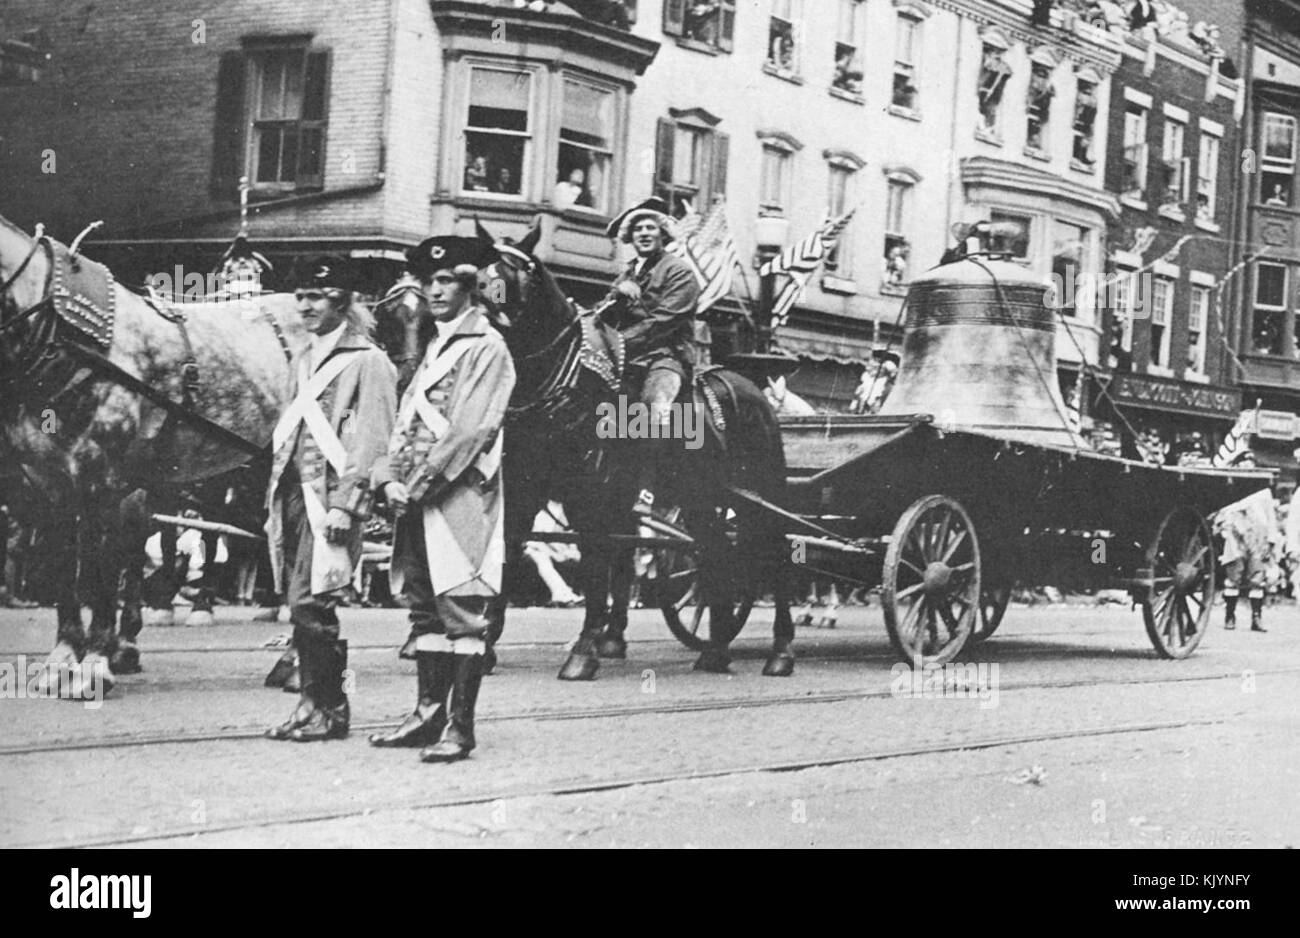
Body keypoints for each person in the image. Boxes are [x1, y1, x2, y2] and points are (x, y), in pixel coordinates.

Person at [369, 236, 515, 762]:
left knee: (464, 612)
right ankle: (427, 715)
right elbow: (403, 425)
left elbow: (470, 431)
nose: (434, 290)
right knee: (425, 611)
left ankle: (460, 726)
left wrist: (416, 485)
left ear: (470, 287)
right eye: (428, 281)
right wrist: (385, 476)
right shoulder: (436, 346)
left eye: (446, 280)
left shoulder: (488, 347)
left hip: (459, 500)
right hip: (415, 497)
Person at [264, 256, 397, 742]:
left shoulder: (369, 360)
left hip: (333, 500)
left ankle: (332, 709)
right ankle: (309, 705)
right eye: (300, 296)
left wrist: (347, 503)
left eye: (316, 296)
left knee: (312, 602)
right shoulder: (303, 358)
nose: (305, 306)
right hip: (292, 493)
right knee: (298, 604)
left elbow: (374, 440)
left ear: (343, 301)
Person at [600, 197, 701, 517]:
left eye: (650, 228)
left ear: (662, 235)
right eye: (638, 229)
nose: (644, 233)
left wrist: (621, 340)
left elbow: (664, 321)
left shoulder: (680, 272)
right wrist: (615, 300)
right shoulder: (626, 275)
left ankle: (648, 489)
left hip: (666, 356)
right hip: (627, 359)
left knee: (653, 407)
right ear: (631, 238)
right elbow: (604, 316)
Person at [1214, 489, 1277, 633]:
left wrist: (1271, 538)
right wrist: (1223, 526)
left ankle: (1256, 617)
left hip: (1258, 534)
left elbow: (1270, 514)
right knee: (1233, 575)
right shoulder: (1236, 486)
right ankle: (1230, 615)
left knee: (1257, 577)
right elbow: (1223, 509)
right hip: (1235, 534)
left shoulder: (1264, 491)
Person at [523, 501, 582, 606]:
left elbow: (570, 536)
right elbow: (537, 542)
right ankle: (561, 594)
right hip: (537, 550)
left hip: (559, 549)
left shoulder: (566, 513)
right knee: (542, 560)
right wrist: (554, 555)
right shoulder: (542, 516)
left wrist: (573, 551)